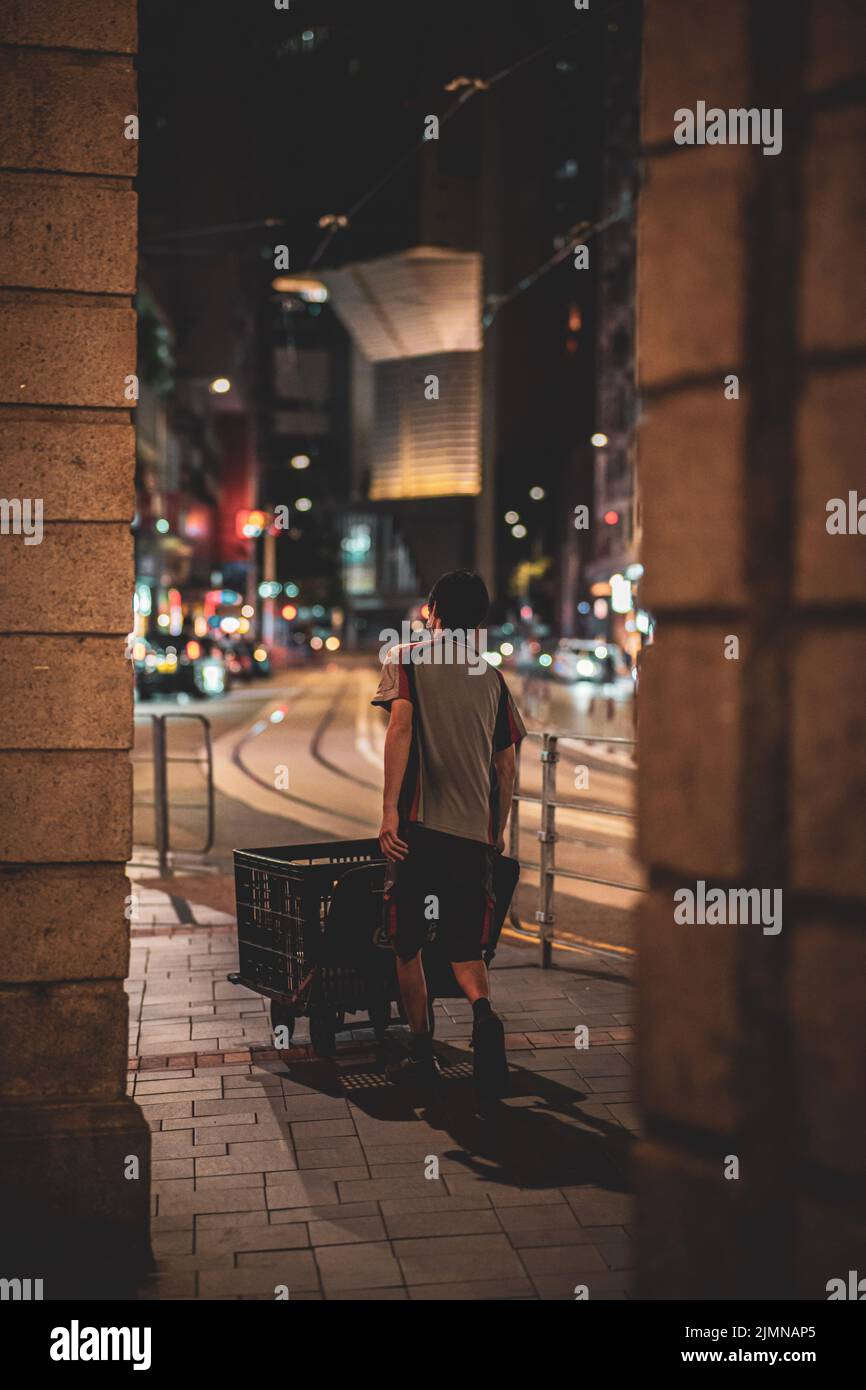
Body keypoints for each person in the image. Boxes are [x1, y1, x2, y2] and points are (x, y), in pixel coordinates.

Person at [372, 570, 526, 1099]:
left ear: (432, 609)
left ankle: (420, 1054)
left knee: (407, 943)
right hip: (471, 841)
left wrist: (390, 810)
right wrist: (496, 831)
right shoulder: (491, 676)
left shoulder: (407, 658)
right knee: (466, 949)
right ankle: (484, 1017)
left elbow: (400, 728)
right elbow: (506, 767)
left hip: (416, 834)